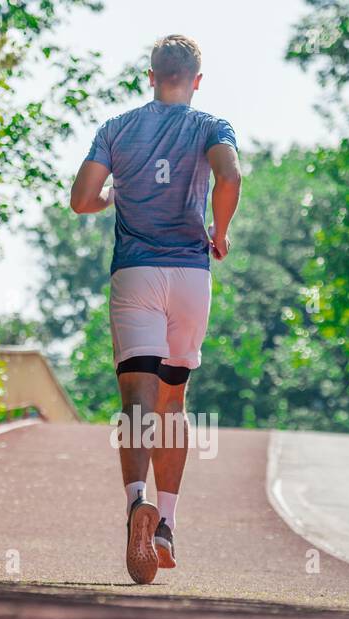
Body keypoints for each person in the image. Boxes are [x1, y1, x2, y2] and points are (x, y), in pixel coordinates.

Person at [69, 34, 242, 584]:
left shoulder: (115, 129)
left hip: (136, 272)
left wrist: (114, 196)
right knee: (173, 401)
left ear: (150, 76)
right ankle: (165, 524)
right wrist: (220, 232)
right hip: (191, 274)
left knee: (136, 400)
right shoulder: (212, 125)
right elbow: (230, 176)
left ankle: (135, 504)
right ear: (195, 79)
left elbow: (80, 200)